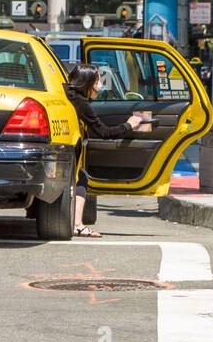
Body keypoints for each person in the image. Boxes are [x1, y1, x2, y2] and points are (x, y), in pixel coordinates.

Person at [65, 64, 152, 238]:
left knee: (80, 177)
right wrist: (129, 124)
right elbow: (104, 132)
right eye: (97, 81)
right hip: (67, 148)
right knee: (80, 178)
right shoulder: (81, 103)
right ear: (87, 82)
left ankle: (75, 223)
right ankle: (77, 224)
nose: (100, 86)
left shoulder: (67, 94)